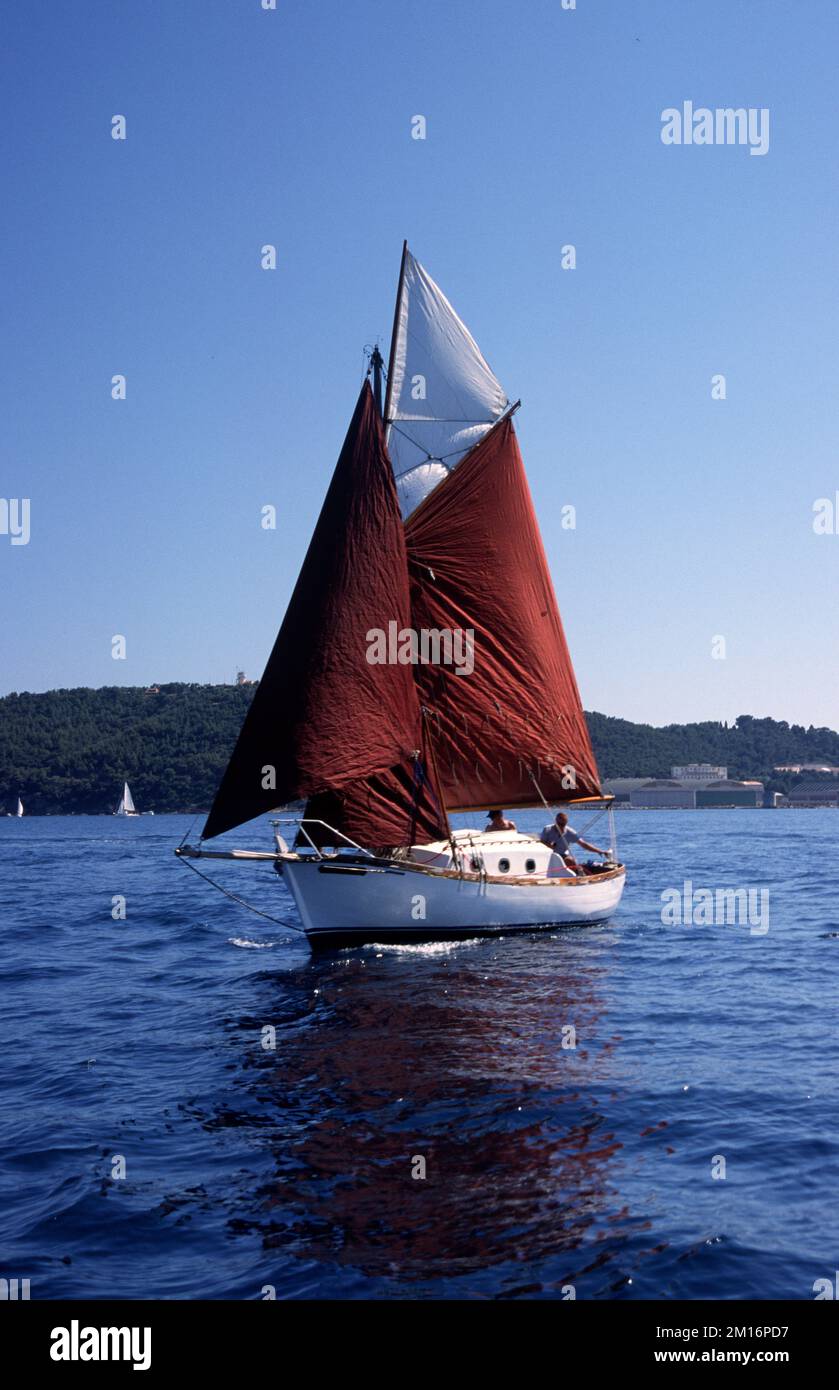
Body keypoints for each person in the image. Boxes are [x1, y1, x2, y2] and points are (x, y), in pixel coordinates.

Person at [540, 810, 606, 873]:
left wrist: (600, 851)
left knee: (571, 861)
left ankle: (577, 876)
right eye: (559, 824)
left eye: (563, 824)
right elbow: (541, 842)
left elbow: (583, 844)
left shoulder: (570, 832)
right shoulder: (547, 829)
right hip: (548, 854)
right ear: (556, 822)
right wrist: (549, 845)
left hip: (562, 855)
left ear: (566, 823)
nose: (561, 826)